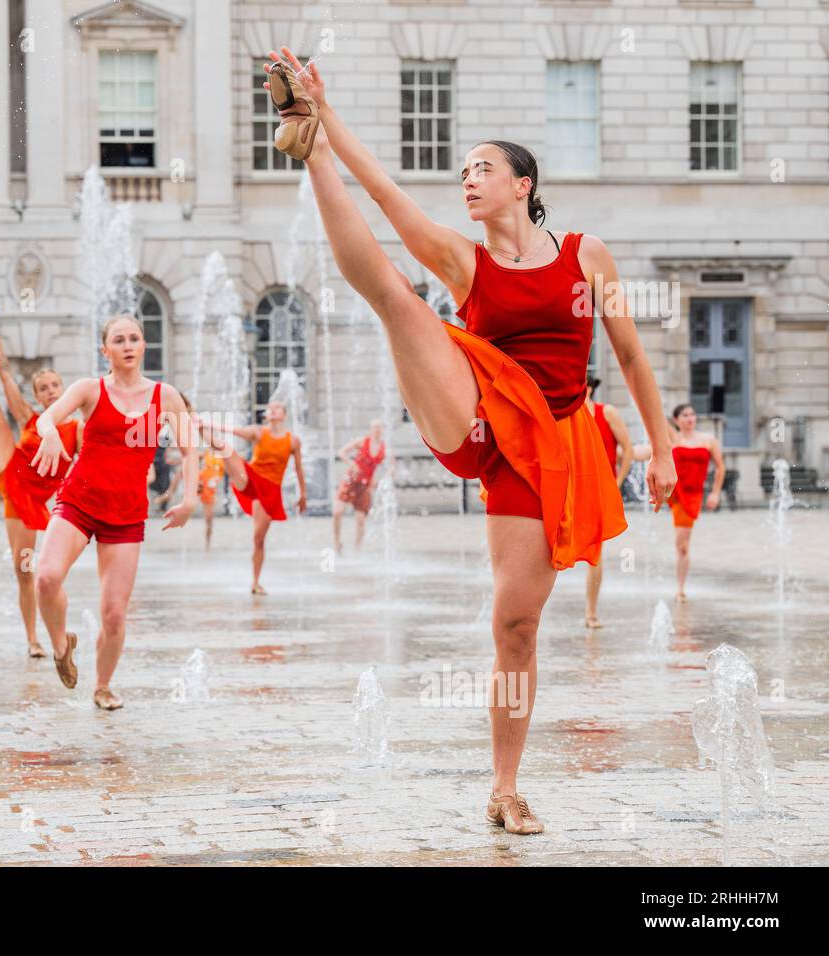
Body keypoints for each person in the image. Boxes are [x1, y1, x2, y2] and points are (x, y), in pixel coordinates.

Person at [265, 47, 675, 833]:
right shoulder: (464, 258)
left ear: (523, 184)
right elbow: (385, 194)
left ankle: (505, 787)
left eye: (482, 168)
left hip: (553, 447)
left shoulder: (589, 255)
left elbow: (627, 353)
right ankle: (305, 143)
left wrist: (658, 448)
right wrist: (325, 113)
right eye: (463, 172)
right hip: (481, 414)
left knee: (515, 626)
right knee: (394, 295)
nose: (468, 179)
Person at [29, 314, 196, 710]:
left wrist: (189, 500)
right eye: (118, 339)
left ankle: (102, 686)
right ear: (105, 350)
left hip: (126, 513)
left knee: (115, 615)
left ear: (143, 346)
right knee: (46, 578)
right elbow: (46, 417)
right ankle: (59, 645)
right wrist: (50, 433)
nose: (127, 345)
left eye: (134, 338)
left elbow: (190, 450)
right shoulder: (89, 389)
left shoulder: (165, 397)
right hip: (79, 501)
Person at [0, 300, 81, 657]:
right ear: (37, 395)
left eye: (54, 386)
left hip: (29, 502)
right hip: (11, 470)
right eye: (44, 388)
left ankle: (44, 635)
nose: (50, 392)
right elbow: (4, 373)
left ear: (64, 390)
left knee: (24, 569)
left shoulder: (77, 429)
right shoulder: (31, 418)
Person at [201, 400, 306, 595]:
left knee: (258, 539)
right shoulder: (258, 432)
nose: (273, 410)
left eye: (277, 408)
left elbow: (299, 468)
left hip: (270, 490)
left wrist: (303, 494)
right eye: (270, 408)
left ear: (283, 415)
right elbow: (233, 430)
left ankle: (255, 582)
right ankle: (199, 427)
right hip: (250, 478)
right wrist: (210, 425)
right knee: (226, 450)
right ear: (267, 415)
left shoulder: (293, 441)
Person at [582, 377, 634, 627]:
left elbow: (628, 449)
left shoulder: (607, 412)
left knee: (595, 552)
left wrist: (617, 481)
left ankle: (591, 613)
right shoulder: (564, 415)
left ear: (589, 387)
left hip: (601, 489)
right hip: (572, 488)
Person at [663, 403, 724, 601]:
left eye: (692, 414)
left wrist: (715, 493)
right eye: (684, 415)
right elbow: (655, 420)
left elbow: (720, 468)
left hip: (694, 494)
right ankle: (680, 589)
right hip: (677, 493)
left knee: (682, 545)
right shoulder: (673, 438)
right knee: (682, 545)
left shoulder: (708, 440)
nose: (690, 418)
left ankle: (680, 587)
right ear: (676, 420)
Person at [332, 419, 388, 554]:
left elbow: (391, 466)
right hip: (350, 480)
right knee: (337, 512)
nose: (377, 430)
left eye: (379, 427)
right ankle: (336, 542)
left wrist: (379, 480)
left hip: (365, 486)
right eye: (375, 427)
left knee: (361, 520)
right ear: (370, 429)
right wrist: (351, 464)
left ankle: (357, 550)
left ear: (383, 430)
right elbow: (341, 452)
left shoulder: (383, 448)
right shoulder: (362, 441)